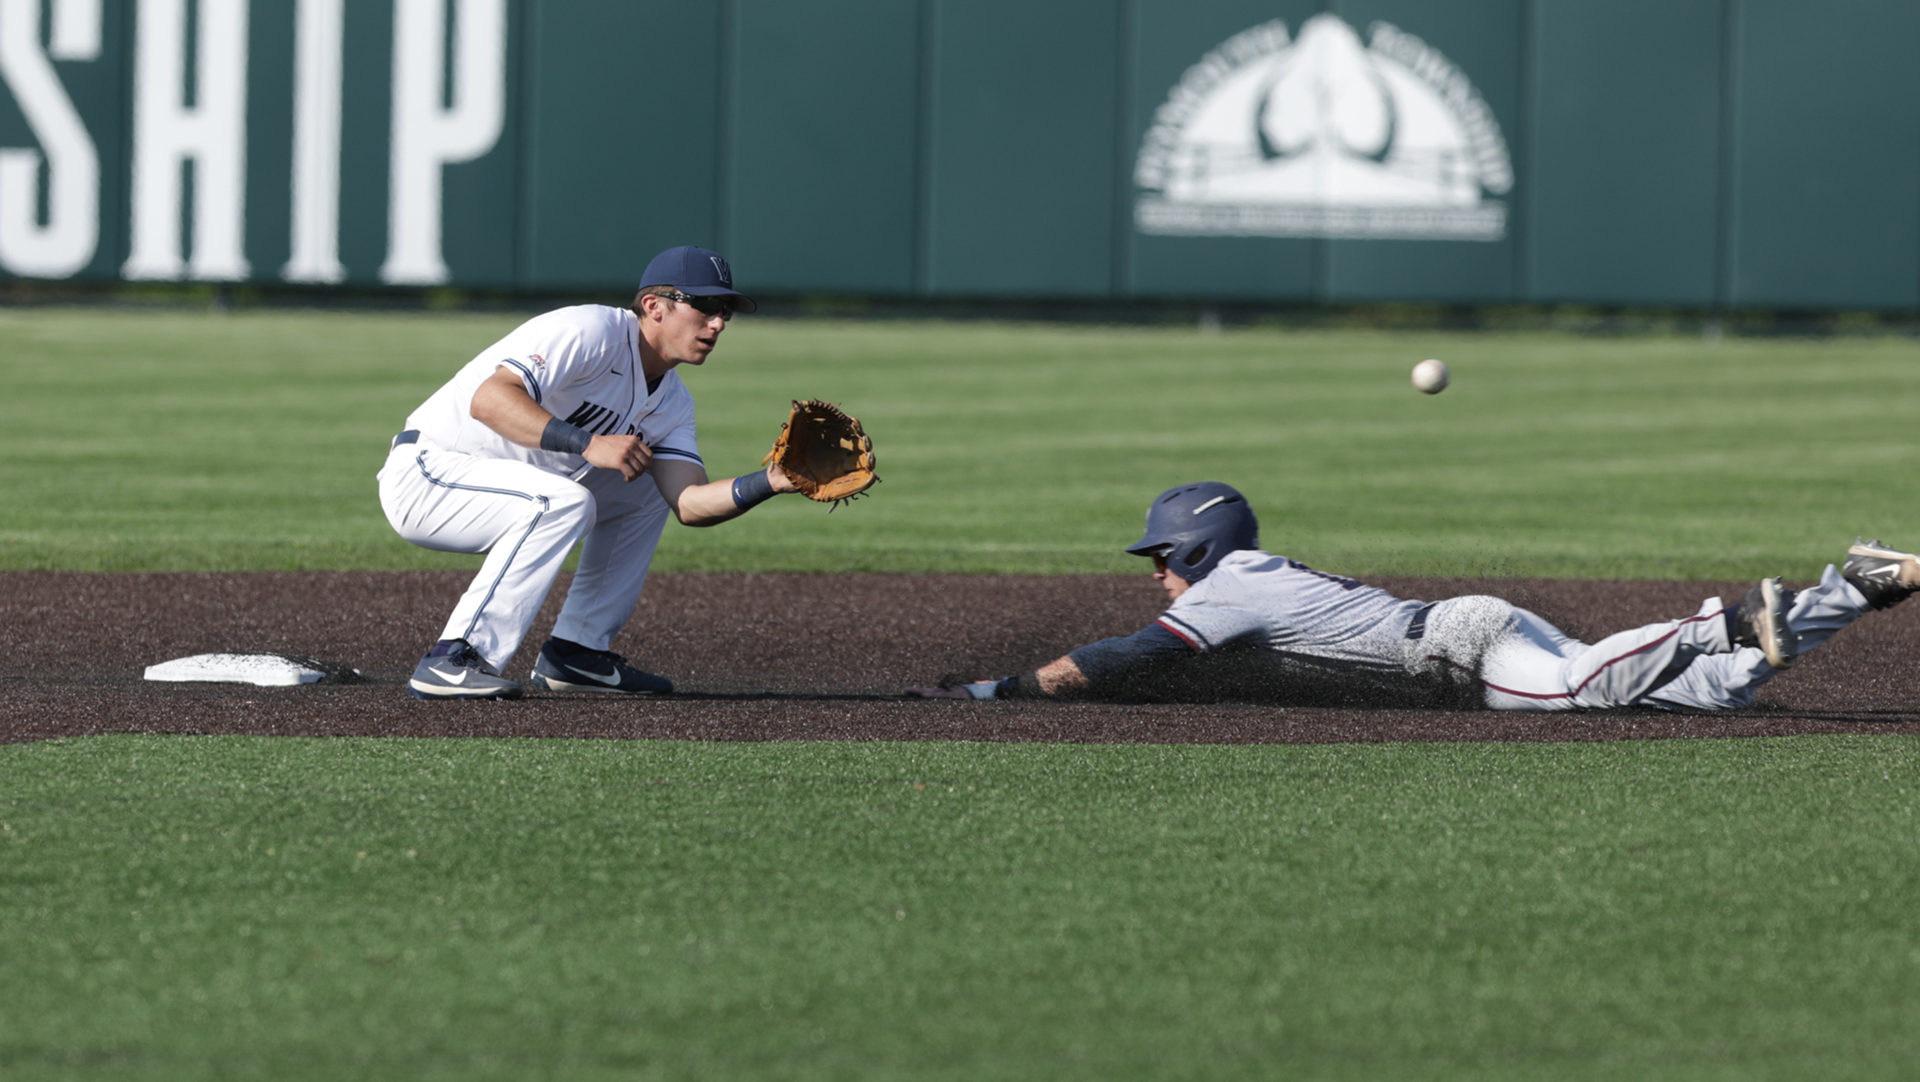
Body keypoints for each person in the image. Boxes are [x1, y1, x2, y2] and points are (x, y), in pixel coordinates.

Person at [906, 482, 1920, 711]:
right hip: (1468, 629)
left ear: (1204, 546)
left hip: (1463, 647)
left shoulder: (1226, 585)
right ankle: (1855, 586)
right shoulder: (1250, 579)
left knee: (1581, 692)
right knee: (1719, 695)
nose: (1157, 571)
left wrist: (1004, 690)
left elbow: (1131, 654)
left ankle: (1731, 615)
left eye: (1164, 553)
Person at [378, 246, 800, 700]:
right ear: (654, 306)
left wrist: (772, 481)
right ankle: (455, 656)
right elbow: (489, 400)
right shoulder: (590, 331)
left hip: (508, 488)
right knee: (563, 500)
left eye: (725, 313)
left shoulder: (674, 405)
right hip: (429, 473)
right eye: (706, 306)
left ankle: (577, 652)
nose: (717, 323)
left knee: (647, 488)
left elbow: (690, 503)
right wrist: (589, 443)